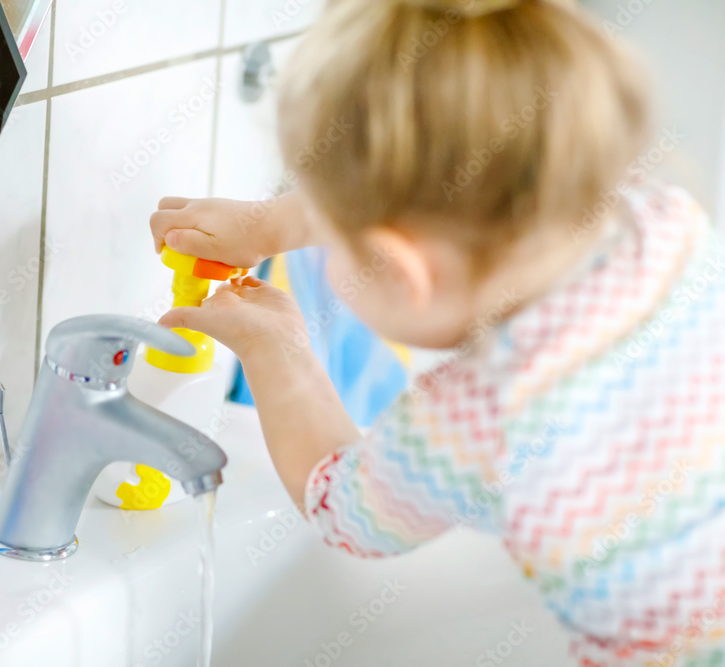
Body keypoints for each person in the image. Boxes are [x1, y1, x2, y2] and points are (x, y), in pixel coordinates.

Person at [149, 0, 725, 664]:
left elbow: (343, 506)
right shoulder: (662, 222)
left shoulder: (482, 416)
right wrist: (276, 225)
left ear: (401, 267)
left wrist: (276, 347)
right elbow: (477, 176)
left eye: (332, 239)